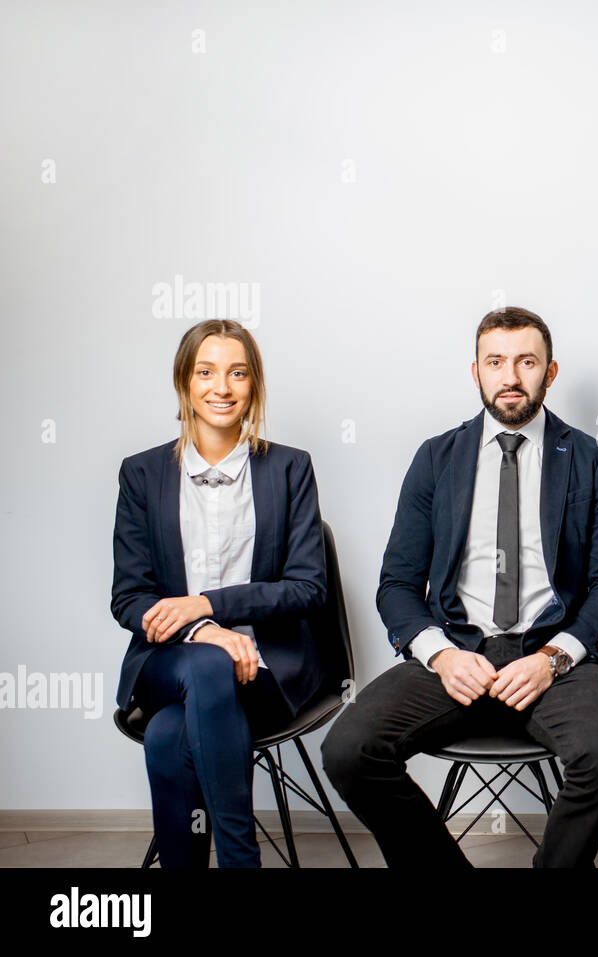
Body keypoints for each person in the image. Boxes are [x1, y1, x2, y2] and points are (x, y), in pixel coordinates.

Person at [322, 306, 598, 868]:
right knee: (349, 751)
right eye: (496, 361)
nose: (510, 376)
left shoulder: (591, 460)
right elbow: (396, 584)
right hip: (457, 653)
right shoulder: (436, 457)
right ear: (476, 371)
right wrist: (440, 654)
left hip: (554, 655)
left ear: (551, 371)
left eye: (526, 361)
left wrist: (553, 659)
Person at [110, 319, 328, 867]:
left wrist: (209, 604)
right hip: (169, 661)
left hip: (265, 668)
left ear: (254, 384)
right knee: (206, 665)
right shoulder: (141, 474)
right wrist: (202, 630)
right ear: (184, 382)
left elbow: (308, 587)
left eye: (238, 373)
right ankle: (239, 858)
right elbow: (129, 598)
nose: (222, 388)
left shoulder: (289, 467)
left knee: (167, 738)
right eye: (205, 372)